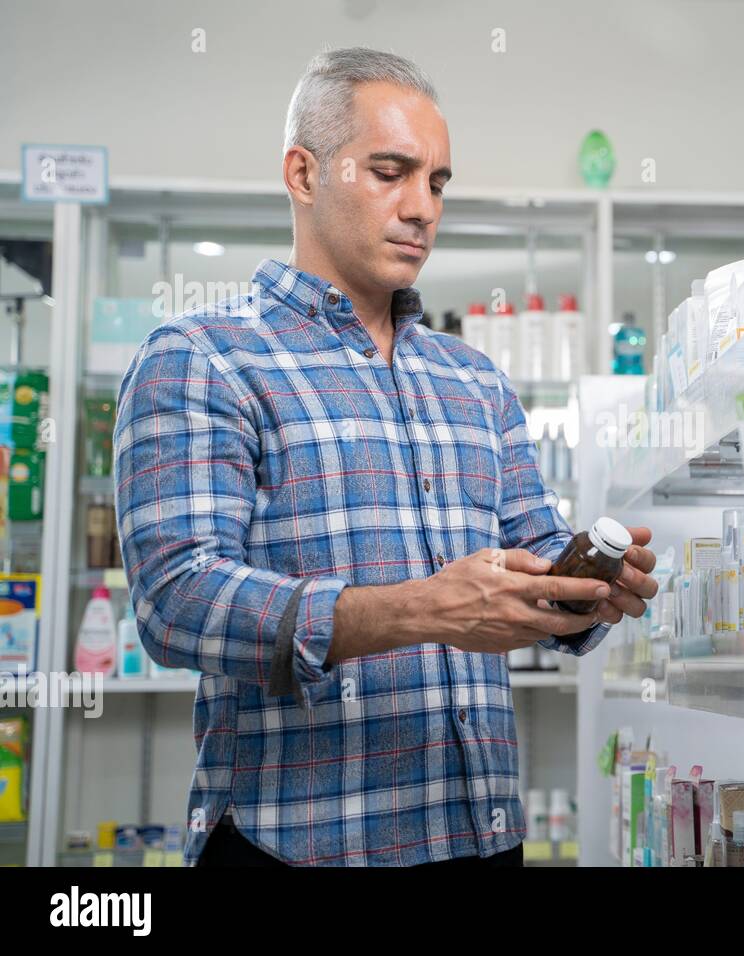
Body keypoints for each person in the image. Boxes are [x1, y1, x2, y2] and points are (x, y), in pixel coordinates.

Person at [113, 47, 657, 867]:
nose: (422, 208)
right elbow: (174, 598)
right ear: (303, 173)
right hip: (296, 846)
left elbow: (534, 549)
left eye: (436, 182)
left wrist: (585, 583)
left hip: (482, 837)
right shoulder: (202, 358)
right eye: (390, 171)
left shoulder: (472, 379)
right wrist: (416, 610)